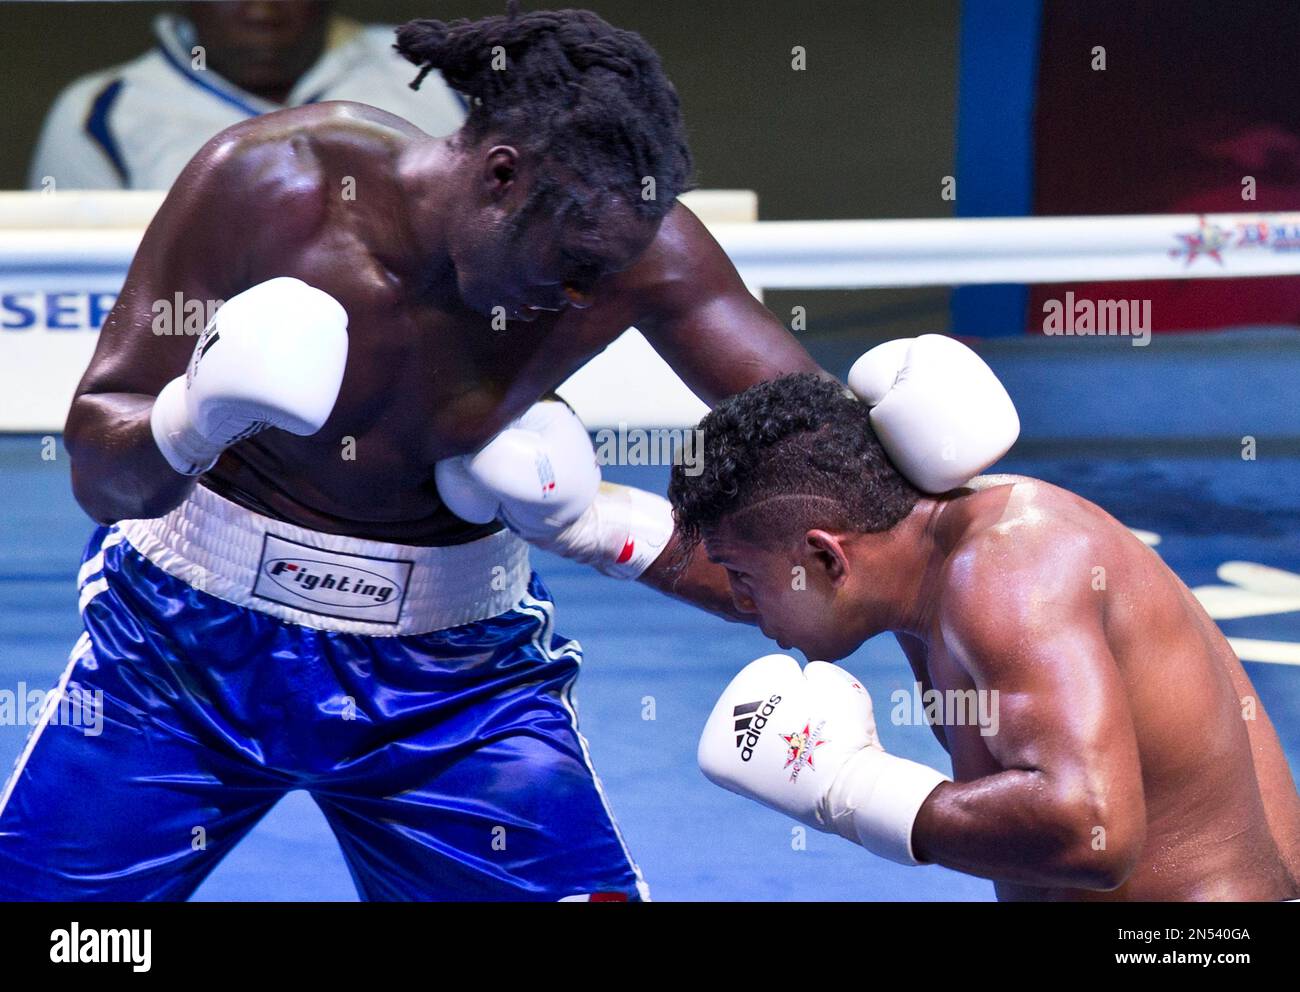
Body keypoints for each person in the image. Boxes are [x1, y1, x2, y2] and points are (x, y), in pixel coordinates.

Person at [678, 368, 1300, 901]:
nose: (737, 602)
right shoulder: (929, 569)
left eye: (740, 575)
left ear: (827, 559)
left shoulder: (1004, 571)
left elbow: (1091, 832)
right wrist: (604, 532)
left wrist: (853, 790)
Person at [27, 1, 464, 190]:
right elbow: (67, 294)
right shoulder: (101, 112)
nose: (260, 10)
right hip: (188, 362)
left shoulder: (434, 69)